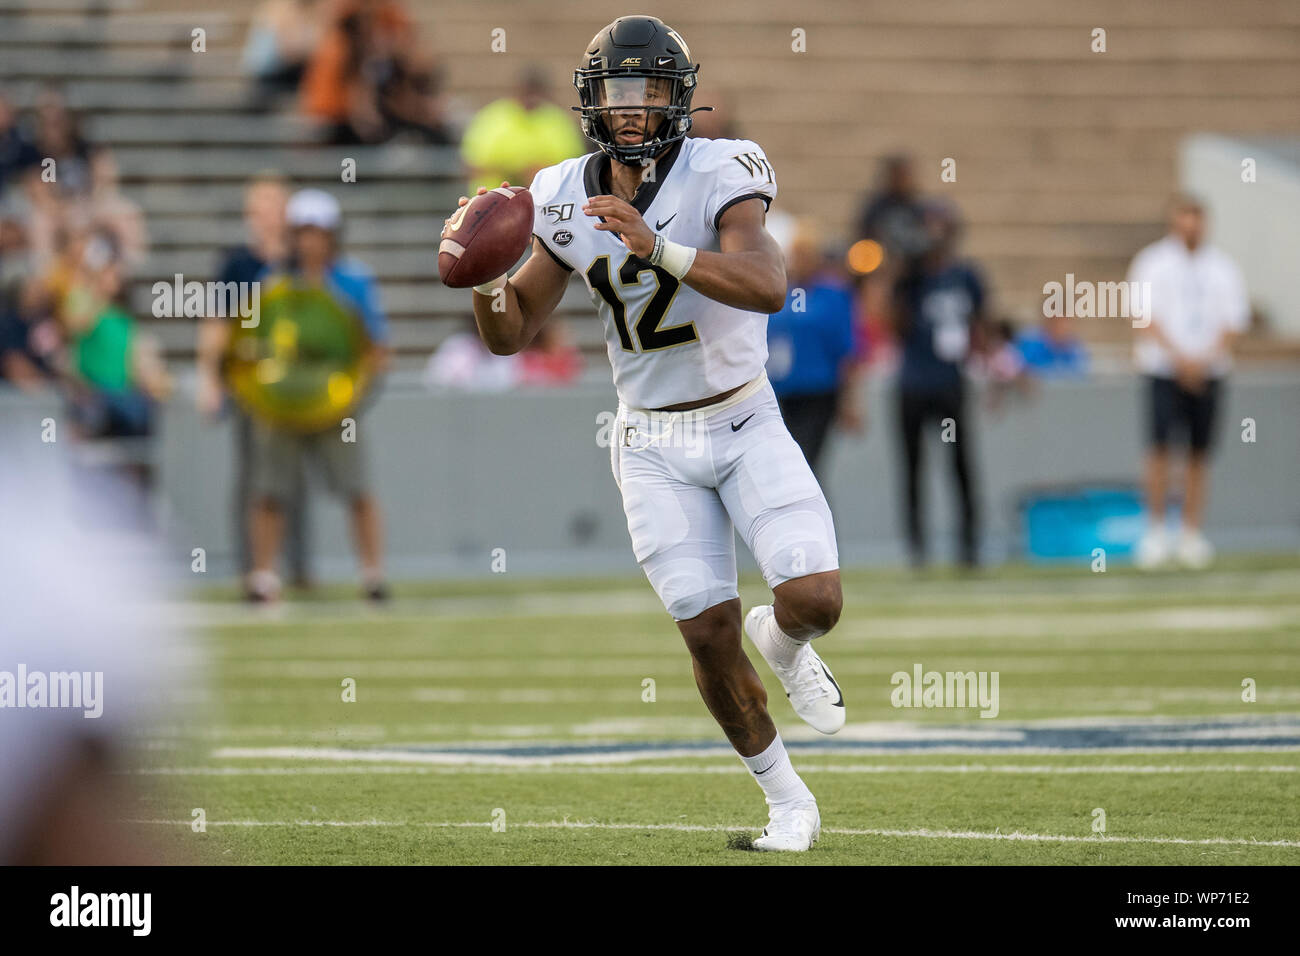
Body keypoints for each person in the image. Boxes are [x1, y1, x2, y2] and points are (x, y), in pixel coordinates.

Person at [444, 16, 844, 852]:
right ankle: (788, 804)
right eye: (620, 92)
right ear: (593, 100)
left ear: (679, 98)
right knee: (705, 632)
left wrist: (659, 248)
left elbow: (769, 284)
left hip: (742, 415)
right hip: (653, 442)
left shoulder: (722, 167)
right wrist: (483, 282)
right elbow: (513, 330)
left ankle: (786, 640)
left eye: (650, 90)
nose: (634, 109)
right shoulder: (561, 191)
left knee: (815, 600)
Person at [245, 189, 390, 602]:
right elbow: (254, 343)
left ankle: (372, 576)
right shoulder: (271, 282)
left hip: (336, 405)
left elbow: (376, 347)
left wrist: (351, 397)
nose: (310, 241)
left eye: (318, 232)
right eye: (303, 232)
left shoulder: (355, 280)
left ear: (332, 236)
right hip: (284, 403)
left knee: (357, 489)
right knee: (269, 491)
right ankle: (264, 577)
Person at [198, 173, 312, 586]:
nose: (267, 215)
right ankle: (253, 568)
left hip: (296, 382)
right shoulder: (237, 264)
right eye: (260, 206)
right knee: (252, 476)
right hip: (249, 380)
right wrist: (211, 380)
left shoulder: (304, 261)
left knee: (295, 475)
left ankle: (298, 566)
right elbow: (217, 324)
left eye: (275, 205)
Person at [1128, 195, 1249, 570]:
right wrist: (1181, 359)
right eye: (1185, 217)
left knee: (1199, 453)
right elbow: (1142, 316)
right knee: (1160, 450)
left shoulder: (1223, 267)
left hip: (1208, 372)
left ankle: (1191, 531)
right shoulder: (1152, 262)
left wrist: (1203, 360)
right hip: (1164, 370)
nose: (1191, 226)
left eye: (1197, 218)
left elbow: (1234, 322)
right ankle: (1156, 530)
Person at [879, 199, 987, 568]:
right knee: (912, 468)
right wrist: (900, 276)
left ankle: (969, 546)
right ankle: (917, 547)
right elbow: (891, 326)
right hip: (913, 384)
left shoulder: (965, 275)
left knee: (959, 464)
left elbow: (980, 325)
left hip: (950, 384)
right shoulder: (910, 278)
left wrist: (989, 368)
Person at [765, 218, 861, 477]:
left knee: (805, 463)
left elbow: (846, 350)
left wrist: (849, 400)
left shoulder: (832, 294)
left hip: (818, 391)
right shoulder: (779, 290)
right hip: (780, 390)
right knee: (786, 466)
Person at [460, 66, 585, 194]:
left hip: (545, 204)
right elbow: (472, 166)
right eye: (527, 92)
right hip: (493, 204)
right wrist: (515, 172)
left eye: (535, 92)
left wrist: (539, 174)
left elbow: (572, 170)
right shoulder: (492, 118)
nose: (530, 98)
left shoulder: (559, 122)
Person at [1016, 313, 1089, 378]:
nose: (1062, 327)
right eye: (1058, 321)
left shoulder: (1073, 348)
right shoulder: (1030, 343)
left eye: (1066, 322)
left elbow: (1079, 374)